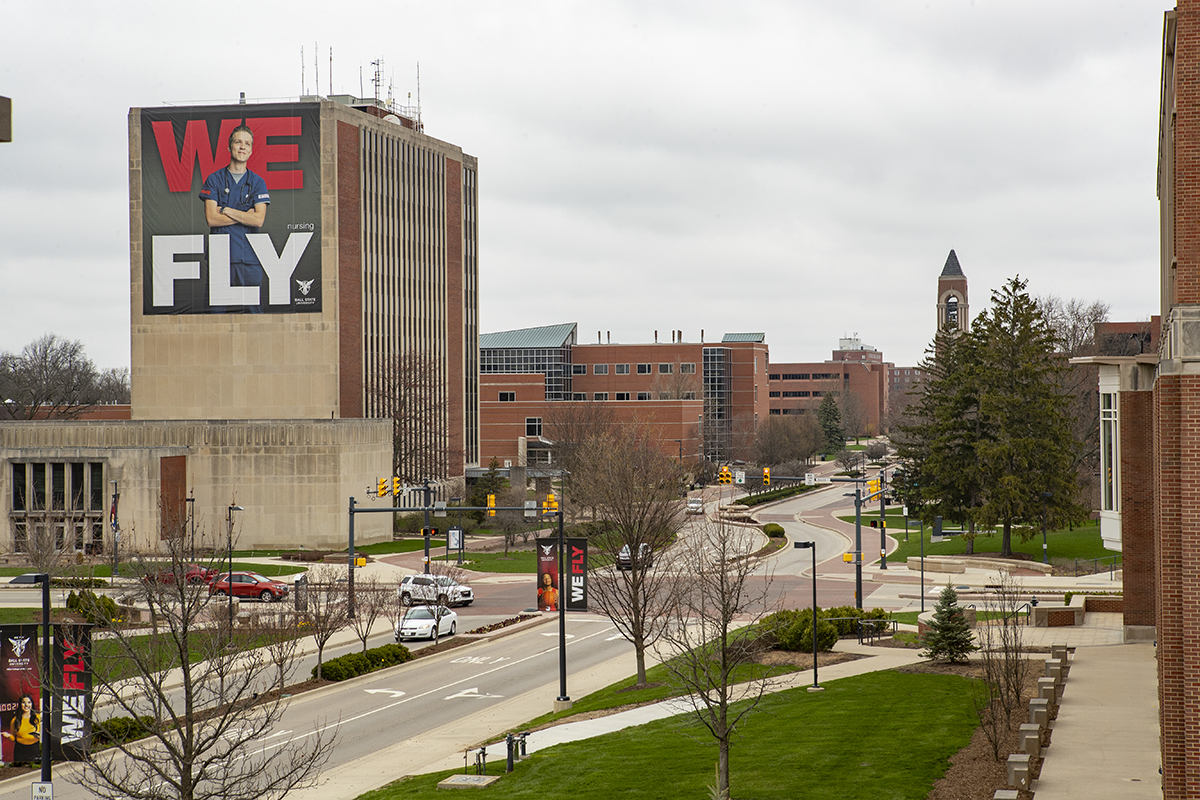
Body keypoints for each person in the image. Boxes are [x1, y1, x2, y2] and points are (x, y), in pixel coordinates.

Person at [199, 124, 270, 312]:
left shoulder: (257, 182)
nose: (242, 147)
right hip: (220, 256)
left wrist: (227, 210)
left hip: (249, 257)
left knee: (255, 316)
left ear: (251, 150)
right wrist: (245, 215)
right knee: (215, 316)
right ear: (229, 147)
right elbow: (212, 219)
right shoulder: (214, 180)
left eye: (247, 144)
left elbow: (258, 220)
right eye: (238, 142)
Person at [3, 693, 40, 764]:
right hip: (20, 750)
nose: (26, 705)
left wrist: (39, 736)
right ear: (20, 705)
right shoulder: (15, 720)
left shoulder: (37, 718)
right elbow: (14, 738)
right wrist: (8, 736)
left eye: (29, 702)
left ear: (32, 704)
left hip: (35, 749)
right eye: (24, 702)